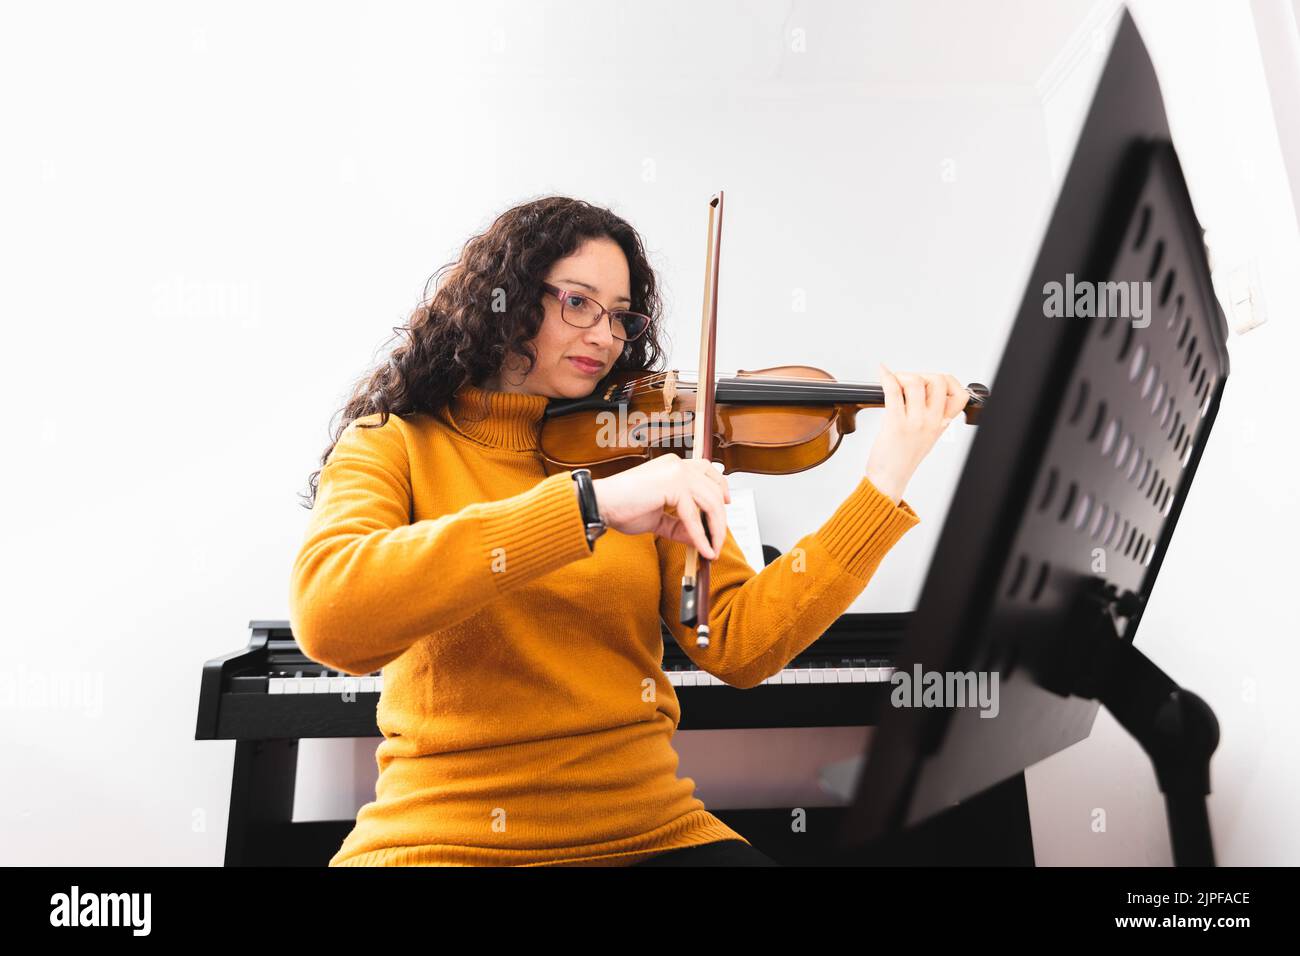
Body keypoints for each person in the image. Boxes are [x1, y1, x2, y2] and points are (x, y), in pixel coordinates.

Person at [289, 195, 970, 867]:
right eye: (578, 303)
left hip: (648, 831)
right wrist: (590, 507)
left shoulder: (640, 451)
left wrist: (882, 486)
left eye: (620, 316)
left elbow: (738, 642)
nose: (605, 336)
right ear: (507, 296)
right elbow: (331, 617)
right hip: (441, 839)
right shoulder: (393, 444)